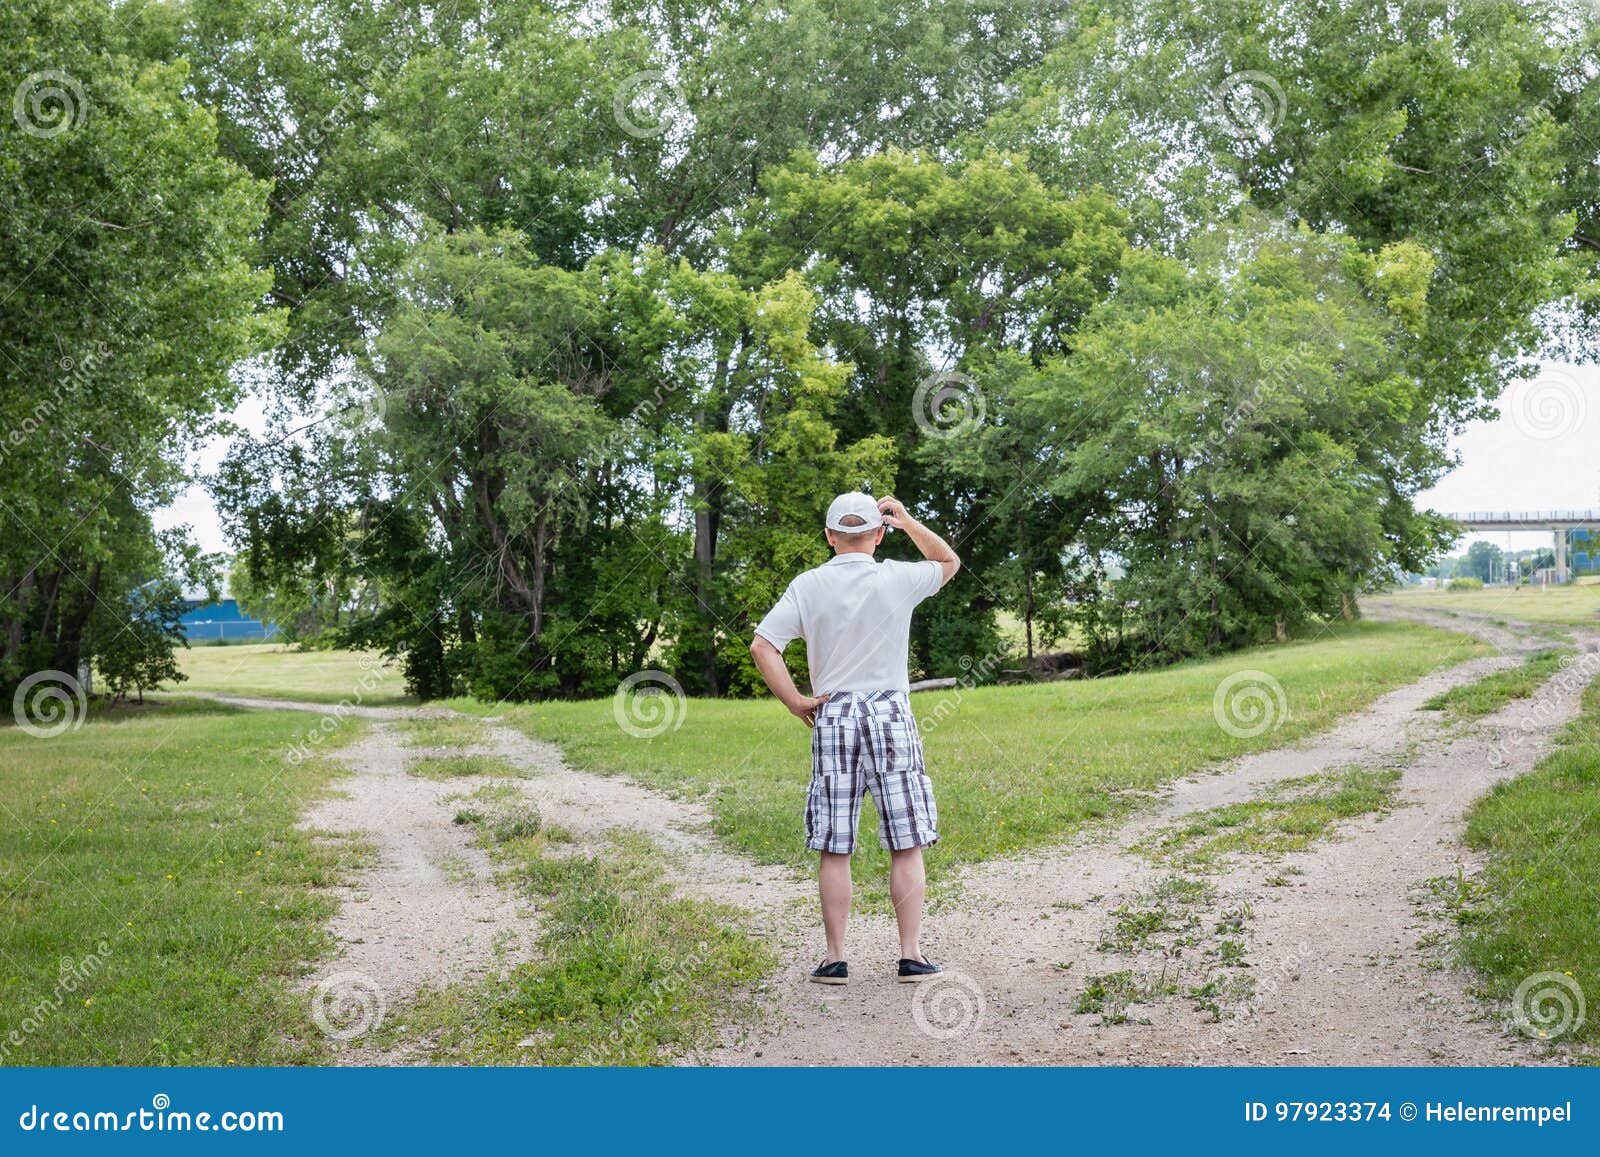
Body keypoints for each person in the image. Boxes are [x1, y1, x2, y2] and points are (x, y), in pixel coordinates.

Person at [749, 491, 960, 986]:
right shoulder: (897, 576)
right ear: (879, 533)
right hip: (889, 712)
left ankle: (835, 958)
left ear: (829, 537)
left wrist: (797, 701)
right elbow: (948, 561)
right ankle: (910, 954)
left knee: (835, 844)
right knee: (906, 842)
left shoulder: (808, 585)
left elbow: (764, 645)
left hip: (834, 712)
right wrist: (908, 520)